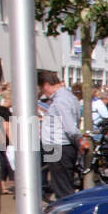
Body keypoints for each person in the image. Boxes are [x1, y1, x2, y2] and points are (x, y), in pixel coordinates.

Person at [37, 69, 82, 200]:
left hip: (59, 146)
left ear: (46, 85)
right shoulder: (69, 97)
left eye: (42, 88)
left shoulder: (61, 100)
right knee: (62, 184)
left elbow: (69, 127)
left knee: (62, 188)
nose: (43, 92)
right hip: (60, 145)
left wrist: (77, 139)